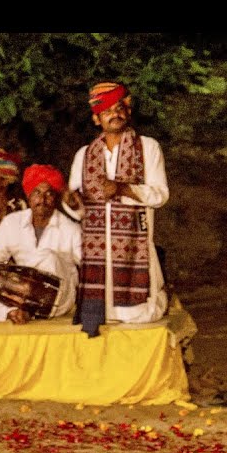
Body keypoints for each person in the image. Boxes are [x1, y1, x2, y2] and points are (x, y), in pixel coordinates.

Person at [62, 81, 170, 337]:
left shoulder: (147, 147)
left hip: (135, 246)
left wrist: (123, 189)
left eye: (120, 108)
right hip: (97, 249)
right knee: (100, 314)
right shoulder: (84, 154)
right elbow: (81, 210)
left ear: (128, 112)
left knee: (139, 315)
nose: (115, 114)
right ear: (96, 119)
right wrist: (72, 204)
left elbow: (160, 195)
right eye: (107, 110)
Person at [0, 164, 82, 324]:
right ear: (28, 196)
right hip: (19, 292)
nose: (42, 200)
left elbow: (87, 264)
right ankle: (11, 313)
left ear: (55, 198)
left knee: (49, 257)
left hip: (58, 299)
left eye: (49, 194)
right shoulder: (12, 222)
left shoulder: (71, 228)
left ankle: (26, 311)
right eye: (37, 193)